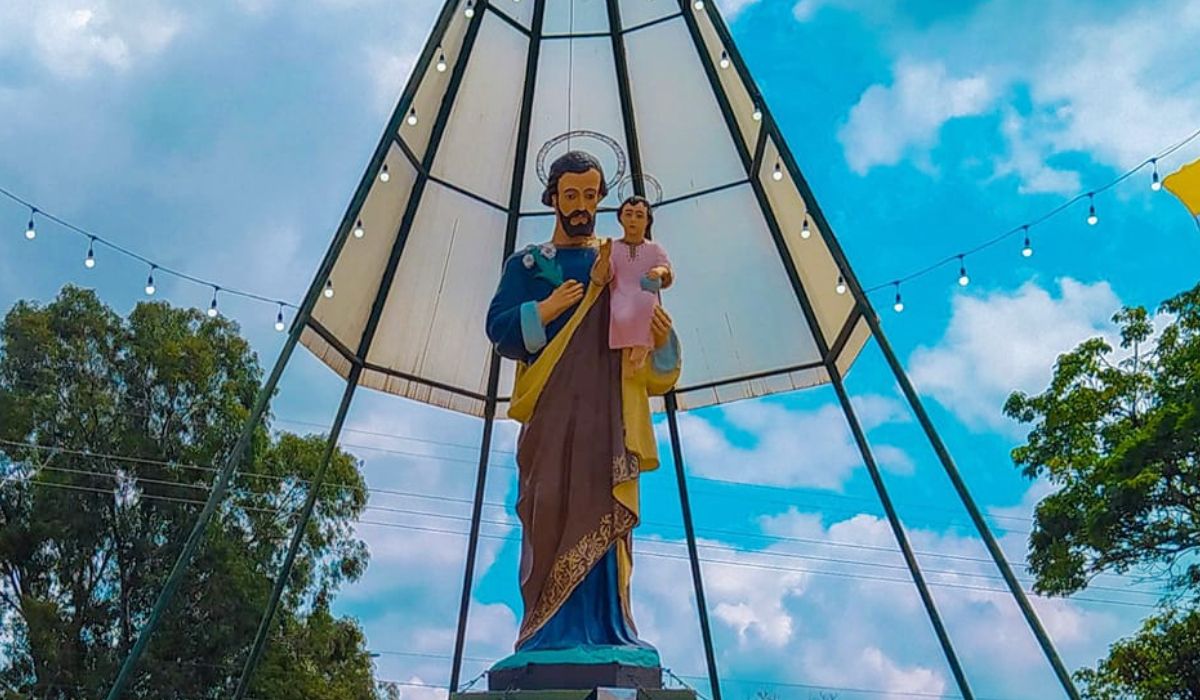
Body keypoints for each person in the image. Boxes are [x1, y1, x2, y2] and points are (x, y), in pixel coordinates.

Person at [485, 151, 681, 665]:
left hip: (608, 417)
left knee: (603, 509)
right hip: (551, 416)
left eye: (590, 196)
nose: (581, 206)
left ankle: (609, 630)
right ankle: (544, 631)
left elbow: (645, 321)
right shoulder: (528, 264)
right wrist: (547, 308)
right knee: (546, 509)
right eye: (570, 195)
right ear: (553, 198)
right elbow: (499, 329)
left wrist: (660, 341)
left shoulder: (621, 258)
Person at [603, 195, 673, 371]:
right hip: (620, 294)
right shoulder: (613, 248)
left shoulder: (654, 249)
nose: (633, 219)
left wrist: (659, 271)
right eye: (629, 214)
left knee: (646, 301)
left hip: (644, 294)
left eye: (639, 215)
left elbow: (666, 268)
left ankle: (642, 345)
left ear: (647, 221)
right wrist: (603, 260)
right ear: (621, 218)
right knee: (619, 309)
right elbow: (607, 272)